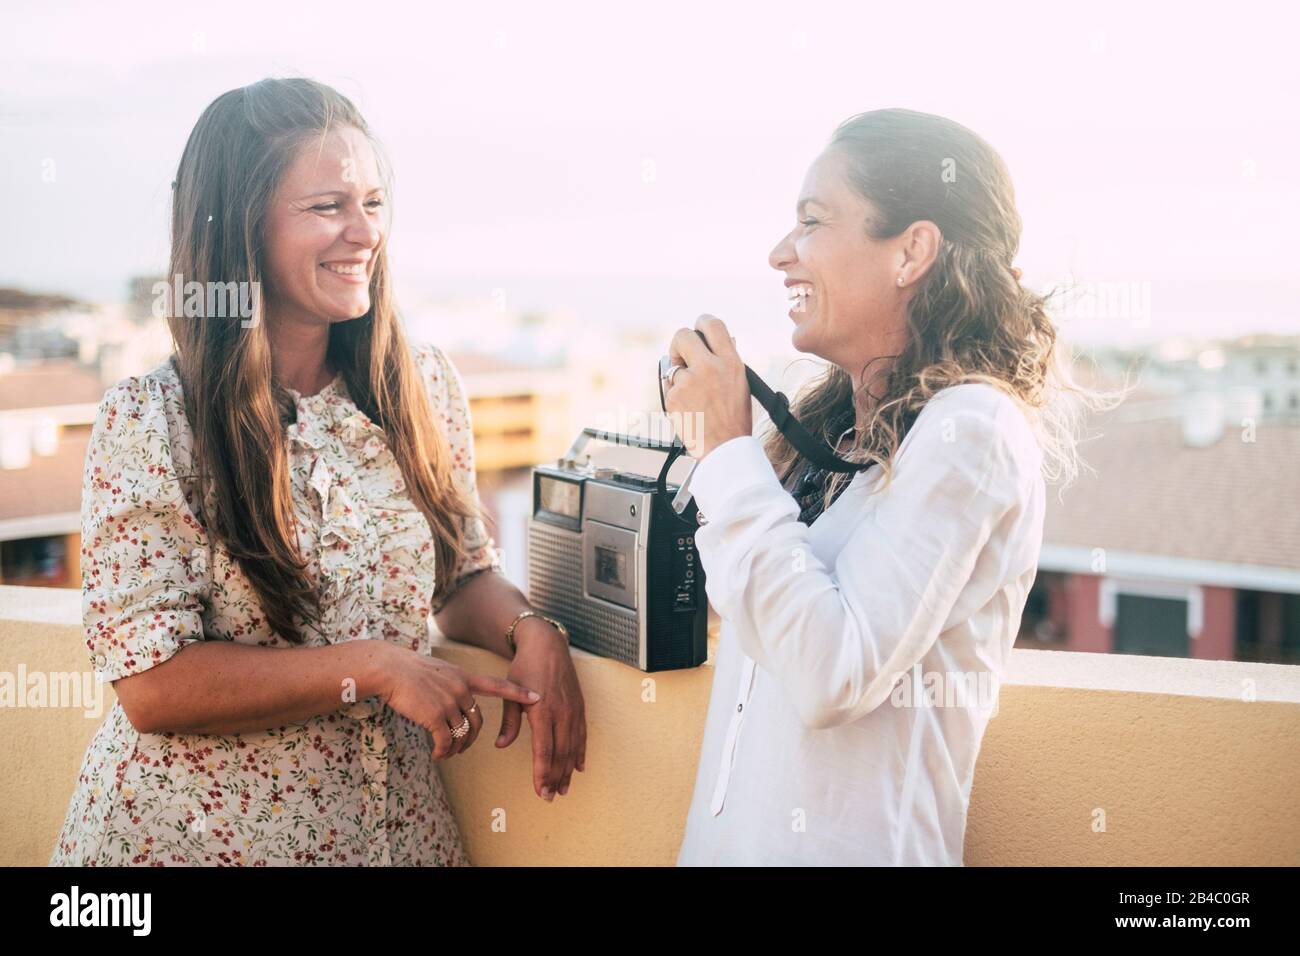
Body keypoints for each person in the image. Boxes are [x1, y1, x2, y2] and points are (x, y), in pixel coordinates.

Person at [51, 78, 585, 867]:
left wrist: (528, 627)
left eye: (373, 202)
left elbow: (460, 573)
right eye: (328, 206)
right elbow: (152, 686)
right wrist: (373, 667)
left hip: (395, 840)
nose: (363, 231)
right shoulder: (153, 421)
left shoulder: (424, 387)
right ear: (242, 228)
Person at [663, 108, 1098, 865]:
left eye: (811, 222)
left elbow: (834, 671)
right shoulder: (828, 440)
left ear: (911, 252)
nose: (779, 254)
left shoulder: (973, 432)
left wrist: (725, 452)